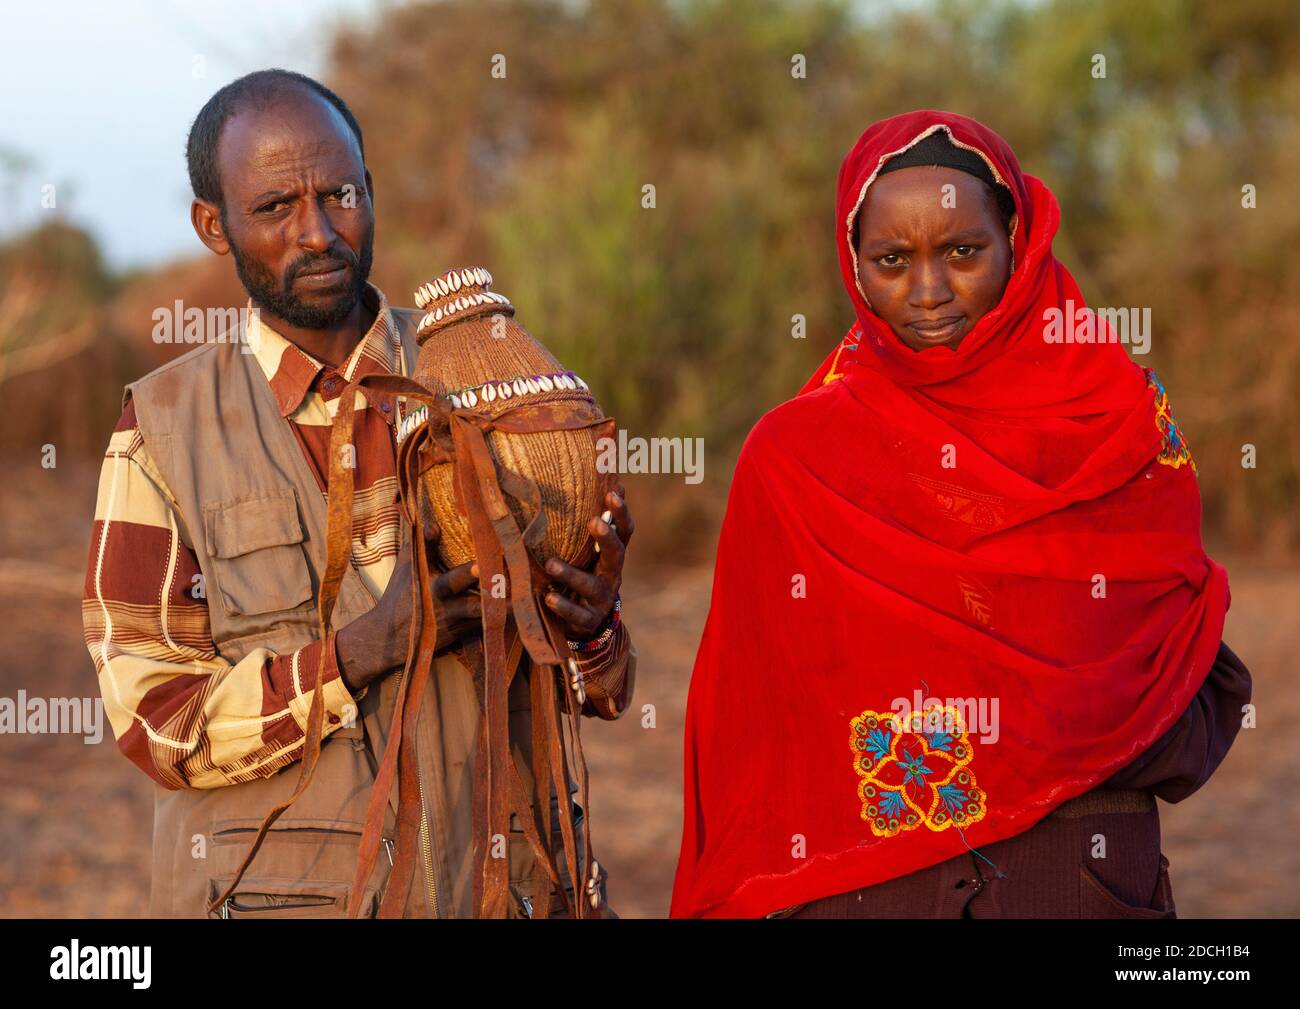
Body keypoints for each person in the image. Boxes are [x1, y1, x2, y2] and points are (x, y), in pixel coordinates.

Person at [81, 69, 636, 918]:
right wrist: (362, 649)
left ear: (369, 191)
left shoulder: (484, 373)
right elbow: (157, 720)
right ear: (213, 226)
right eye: (274, 208)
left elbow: (599, 688)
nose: (318, 233)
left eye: (339, 194)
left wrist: (591, 626)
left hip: (502, 889)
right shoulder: (161, 428)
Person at [670, 110, 1249, 919]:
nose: (930, 291)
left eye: (963, 252)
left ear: (1019, 238)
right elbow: (757, 726)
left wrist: (1051, 736)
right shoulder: (795, 458)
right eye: (892, 261)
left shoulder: (1118, 423)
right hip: (865, 892)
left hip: (1073, 876)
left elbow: (1172, 672)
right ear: (854, 266)